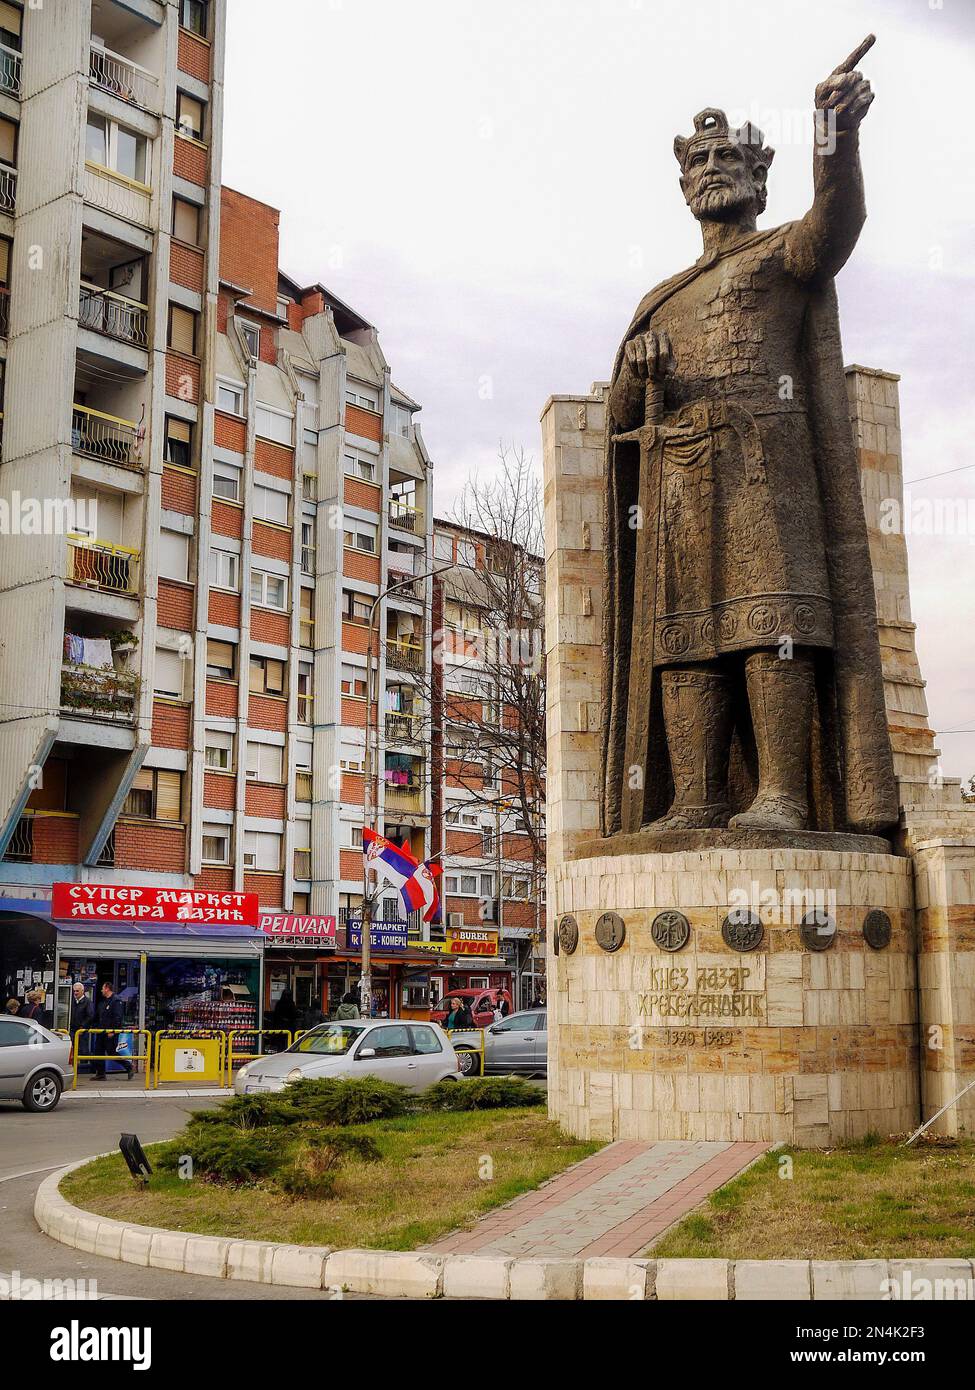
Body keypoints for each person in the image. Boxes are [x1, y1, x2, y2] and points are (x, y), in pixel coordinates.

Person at [93, 982, 132, 1080]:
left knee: (111, 1052)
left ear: (107, 988)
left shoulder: (116, 1001)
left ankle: (129, 1066)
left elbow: (117, 1018)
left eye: (102, 988)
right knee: (98, 1052)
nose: (101, 990)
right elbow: (99, 1016)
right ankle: (101, 1074)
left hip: (110, 1032)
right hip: (101, 1031)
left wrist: (113, 1031)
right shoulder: (103, 1002)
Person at [69, 982, 94, 1072]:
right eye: (74, 991)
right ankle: (74, 1068)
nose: (75, 993)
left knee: (83, 1049)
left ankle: (85, 1068)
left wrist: (82, 1027)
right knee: (72, 1049)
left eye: (77, 991)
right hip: (73, 1029)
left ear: (82, 991)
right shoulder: (72, 1002)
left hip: (82, 1030)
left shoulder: (87, 1002)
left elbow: (90, 1016)